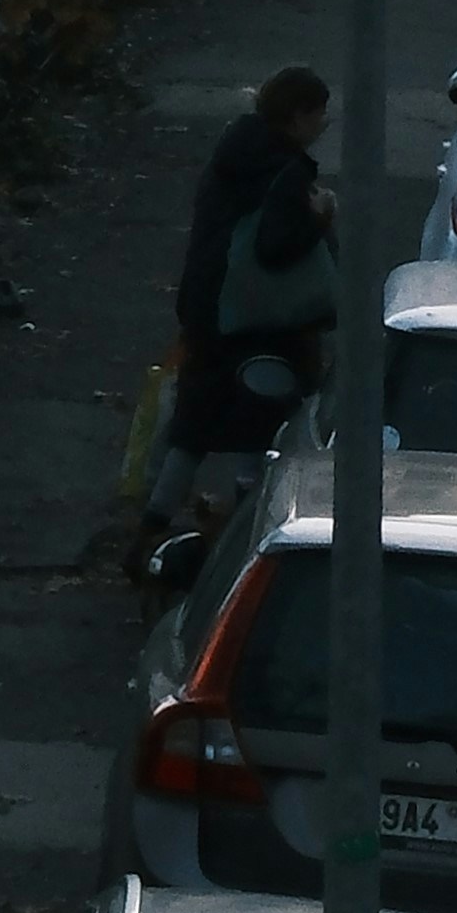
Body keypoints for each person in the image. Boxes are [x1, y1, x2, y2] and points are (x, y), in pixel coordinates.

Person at [140, 68, 333, 561]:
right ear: (298, 117)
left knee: (194, 426)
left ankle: (150, 528)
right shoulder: (286, 172)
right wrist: (319, 220)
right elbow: (275, 249)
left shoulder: (233, 154)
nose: (324, 123)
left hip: (206, 309)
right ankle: (246, 539)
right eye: (319, 113)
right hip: (257, 320)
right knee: (261, 423)